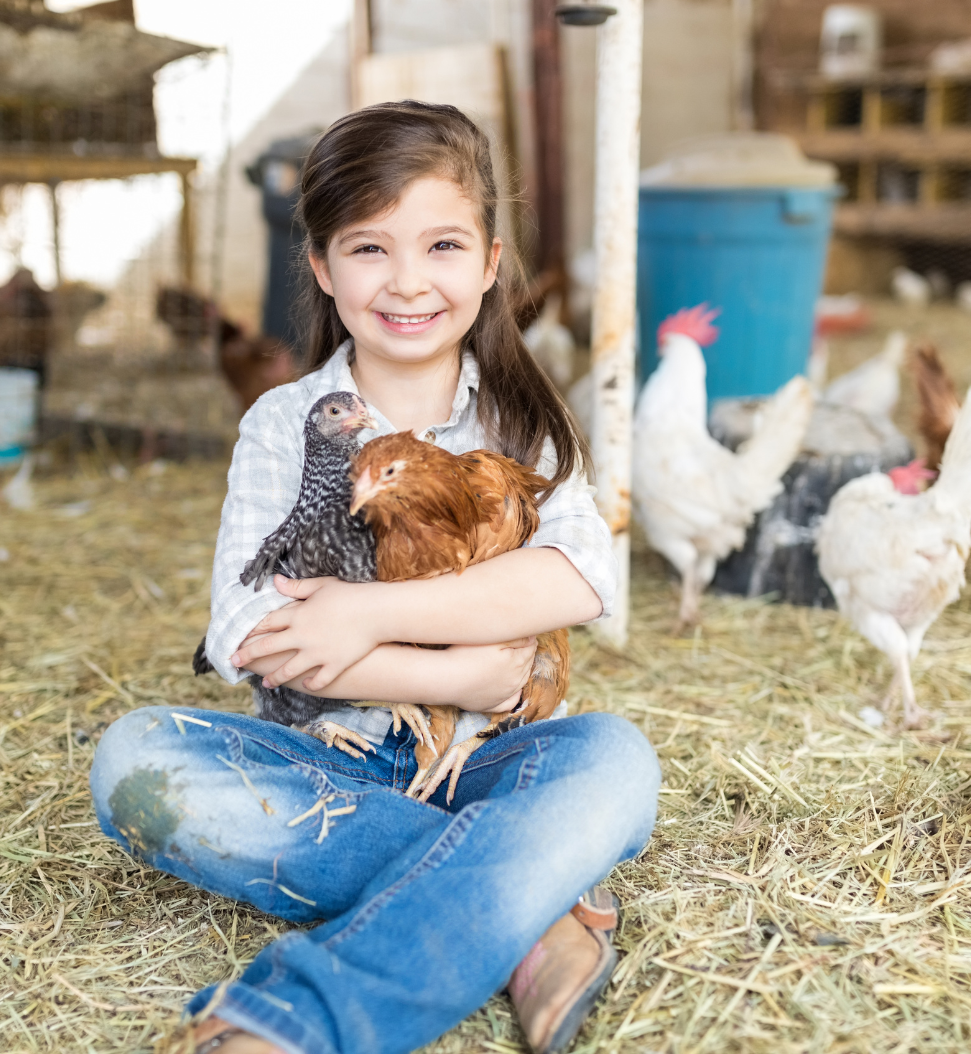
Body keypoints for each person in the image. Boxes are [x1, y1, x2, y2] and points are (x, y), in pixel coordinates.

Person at [90, 101, 659, 1054]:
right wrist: (463, 675)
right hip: (331, 760)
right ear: (318, 264)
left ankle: (299, 1019)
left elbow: (576, 578)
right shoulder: (282, 422)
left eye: (441, 245)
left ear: (488, 262)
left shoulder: (521, 418)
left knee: (617, 764)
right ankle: (527, 904)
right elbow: (247, 639)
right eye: (368, 249)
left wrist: (365, 614)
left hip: (494, 764)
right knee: (136, 762)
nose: (406, 282)